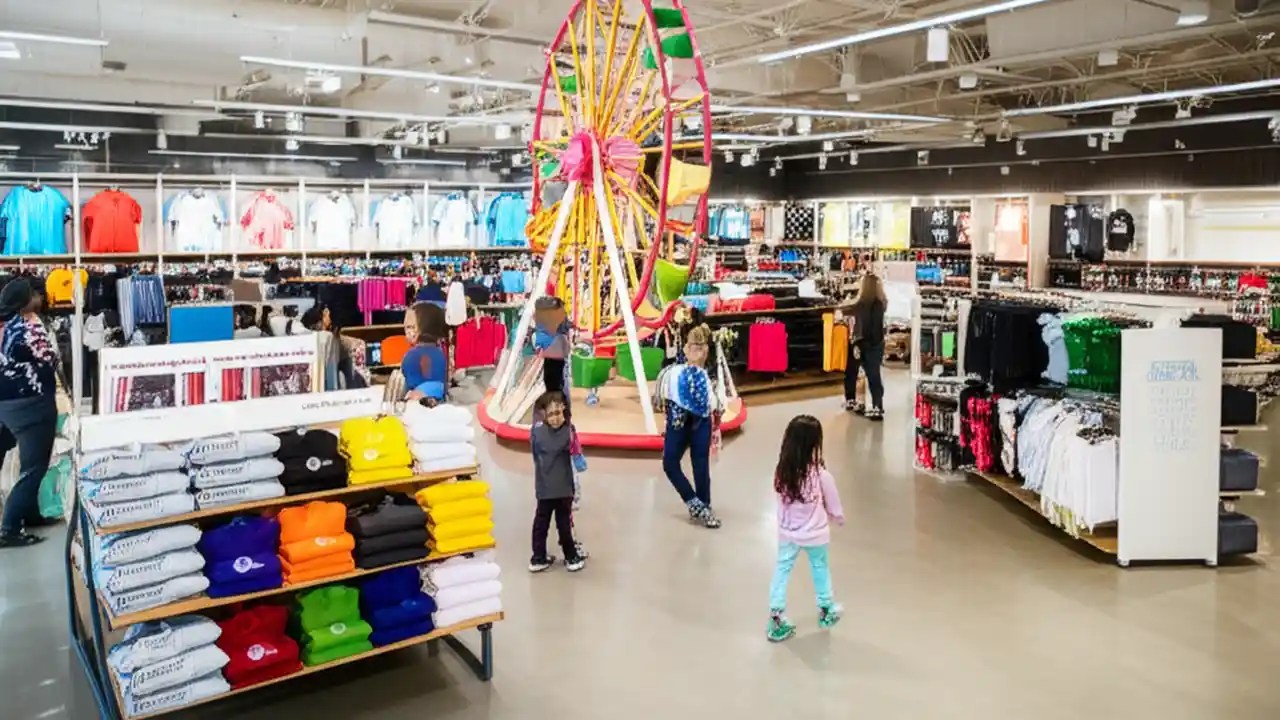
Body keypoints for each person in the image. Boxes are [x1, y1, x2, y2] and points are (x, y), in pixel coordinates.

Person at [767, 415, 844, 642]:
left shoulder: (782, 473)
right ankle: (826, 609)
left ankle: (776, 617)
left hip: (788, 533)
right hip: (816, 534)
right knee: (819, 567)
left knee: (781, 570)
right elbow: (833, 502)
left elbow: (781, 503)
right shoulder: (821, 475)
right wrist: (838, 517)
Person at [0, 278, 61, 548]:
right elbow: (49, 358)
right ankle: (10, 526)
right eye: (34, 294)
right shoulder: (28, 325)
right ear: (25, 301)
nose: (40, 297)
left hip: (5, 401)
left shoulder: (3, 324)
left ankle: (30, 513)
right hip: (30, 401)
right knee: (34, 467)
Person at [657, 323, 722, 528]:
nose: (696, 350)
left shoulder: (709, 378)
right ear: (685, 347)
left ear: (706, 350)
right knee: (670, 463)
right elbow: (664, 400)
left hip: (701, 422)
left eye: (700, 346)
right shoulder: (671, 373)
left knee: (700, 465)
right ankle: (694, 502)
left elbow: (716, 405)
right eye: (692, 345)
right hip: (678, 423)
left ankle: (704, 505)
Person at [528, 391, 586, 573]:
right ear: (545, 414)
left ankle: (538, 557)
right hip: (563, 489)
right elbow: (579, 460)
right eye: (551, 414)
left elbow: (535, 453)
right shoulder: (569, 432)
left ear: (563, 411)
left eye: (558, 414)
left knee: (541, 523)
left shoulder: (536, 432)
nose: (555, 418)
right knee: (563, 525)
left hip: (544, 488)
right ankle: (571, 557)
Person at [842, 273, 887, 420]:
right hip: (875, 343)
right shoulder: (879, 304)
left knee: (857, 374)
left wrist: (856, 343)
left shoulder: (860, 305)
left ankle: (858, 402)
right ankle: (876, 405)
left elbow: (858, 326)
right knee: (873, 376)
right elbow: (876, 328)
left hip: (862, 343)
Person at [402, 302, 448, 403]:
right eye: (406, 327)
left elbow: (429, 381)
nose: (406, 332)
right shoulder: (439, 352)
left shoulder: (414, 355)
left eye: (410, 327)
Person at [533, 296, 571, 403]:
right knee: (557, 381)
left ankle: (554, 402)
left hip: (549, 354)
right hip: (556, 354)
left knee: (551, 381)